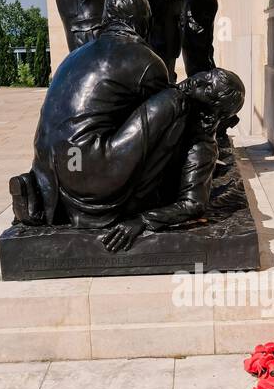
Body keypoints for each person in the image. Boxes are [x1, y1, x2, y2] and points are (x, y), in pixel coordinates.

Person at [9, 0, 187, 229]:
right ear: (142, 20)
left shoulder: (75, 56)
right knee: (176, 102)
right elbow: (159, 129)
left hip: (49, 171)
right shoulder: (146, 61)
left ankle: (47, 195)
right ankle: (145, 201)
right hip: (88, 174)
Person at [102, 67, 245, 252]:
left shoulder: (201, 146)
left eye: (208, 88)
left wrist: (143, 220)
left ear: (211, 112)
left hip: (131, 196)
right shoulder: (173, 96)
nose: (199, 80)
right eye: (207, 74)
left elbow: (193, 204)